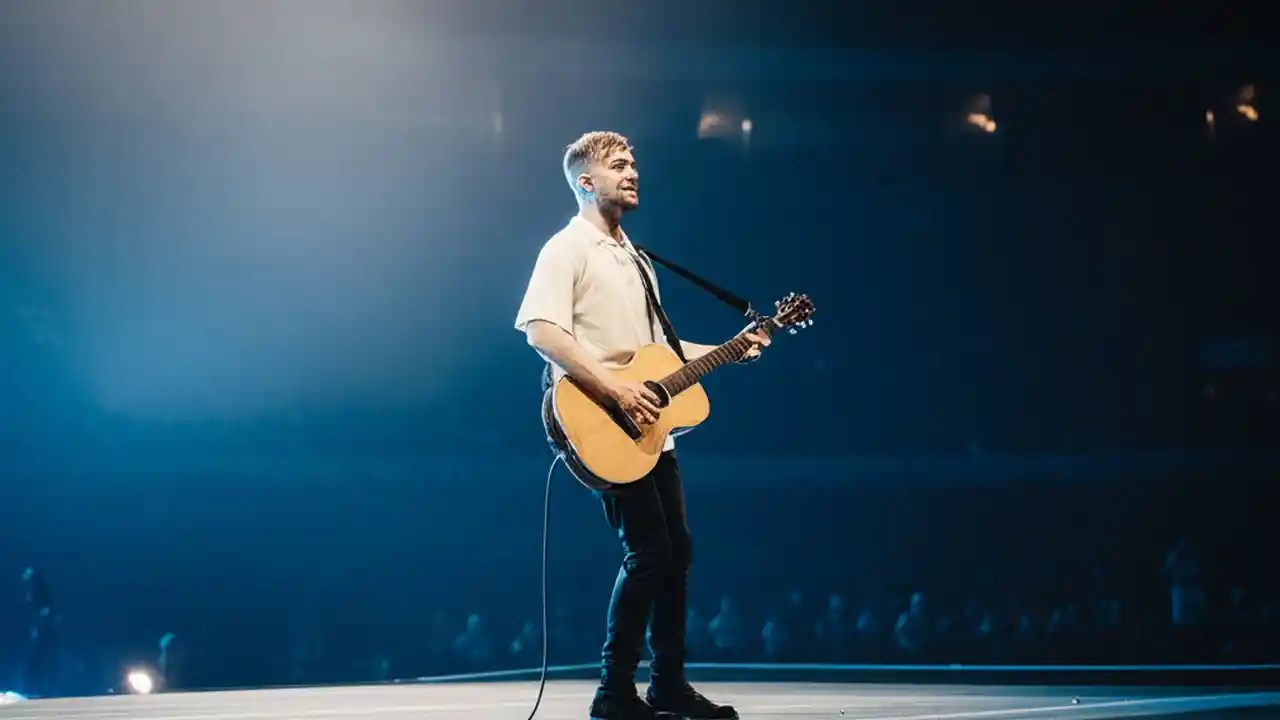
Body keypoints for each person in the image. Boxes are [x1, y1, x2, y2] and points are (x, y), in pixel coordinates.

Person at [515, 131, 767, 720]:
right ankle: (614, 692)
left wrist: (734, 346)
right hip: (602, 418)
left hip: (652, 429)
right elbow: (540, 330)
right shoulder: (566, 248)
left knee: (676, 551)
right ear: (586, 181)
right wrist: (613, 390)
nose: (632, 172)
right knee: (650, 552)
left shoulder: (637, 258)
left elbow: (660, 353)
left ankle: (668, 685)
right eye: (618, 165)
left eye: (633, 164)